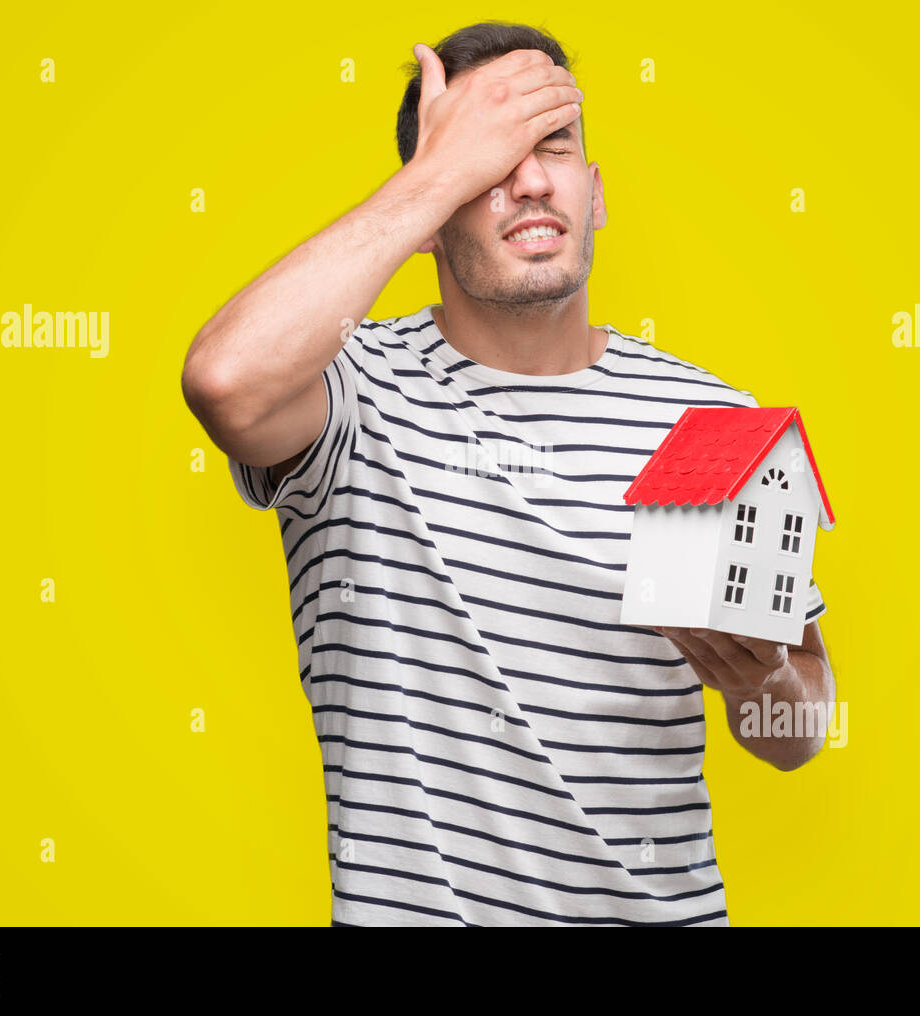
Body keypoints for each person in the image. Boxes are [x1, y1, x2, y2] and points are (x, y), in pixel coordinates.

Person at [181, 20, 836, 927]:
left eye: (552, 145)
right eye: (489, 157)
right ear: (427, 212)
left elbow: (800, 732)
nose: (529, 178)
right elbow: (225, 382)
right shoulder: (352, 394)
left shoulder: (712, 423)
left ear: (597, 194)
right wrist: (436, 173)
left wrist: (759, 685)